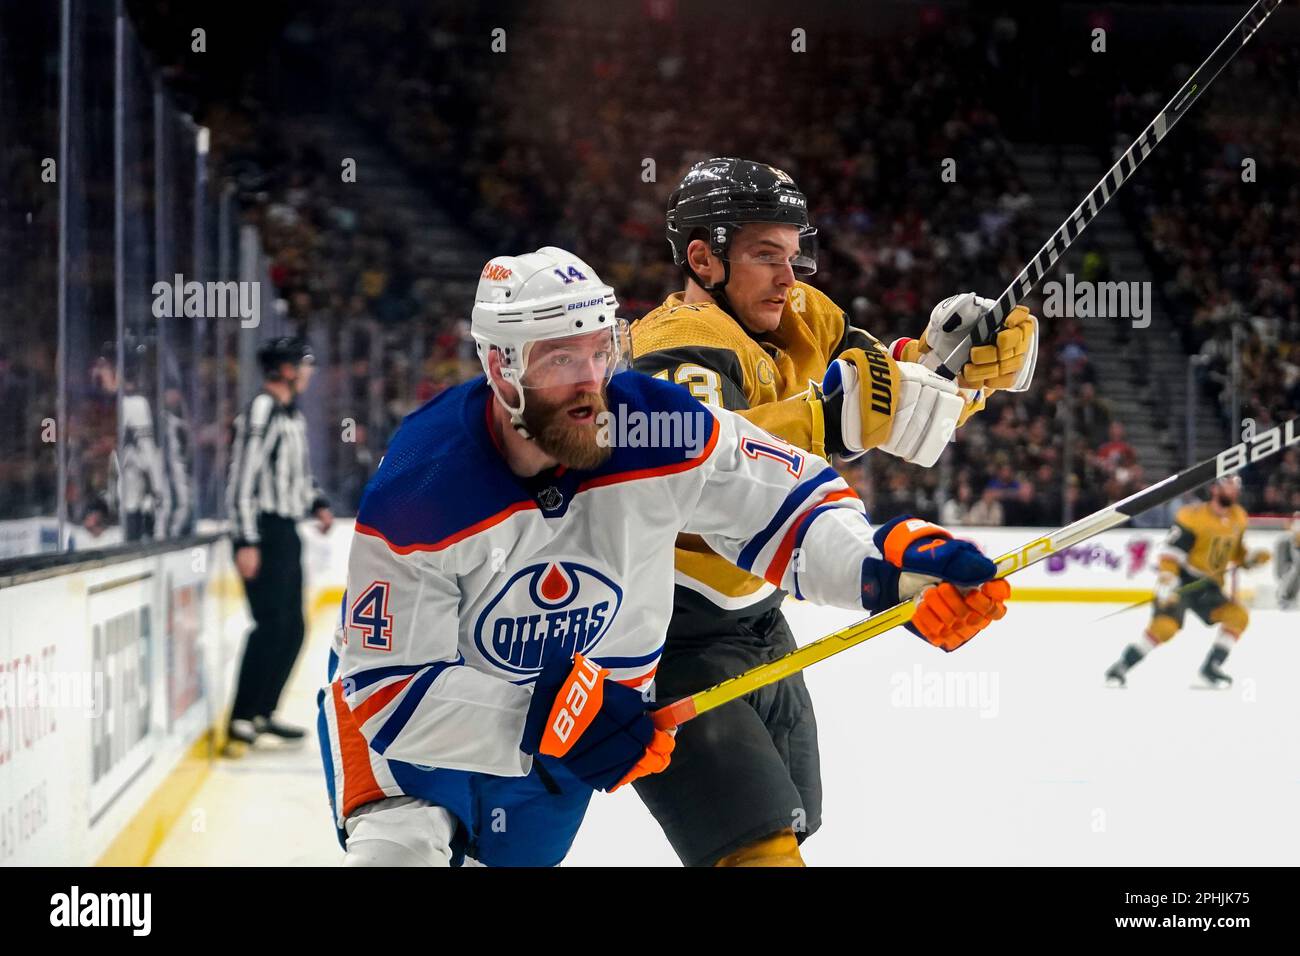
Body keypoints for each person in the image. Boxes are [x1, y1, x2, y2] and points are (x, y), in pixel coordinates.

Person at [316, 247, 1013, 867]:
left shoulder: (656, 424)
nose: (592, 382)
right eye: (561, 359)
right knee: (402, 851)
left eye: (600, 351)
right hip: (417, 733)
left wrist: (881, 573)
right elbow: (389, 690)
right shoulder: (420, 483)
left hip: (560, 741)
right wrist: (549, 716)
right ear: (500, 368)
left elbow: (784, 504)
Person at [628, 158, 1039, 866]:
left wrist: (956, 370)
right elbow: (691, 470)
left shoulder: (805, 315)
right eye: (766, 255)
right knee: (758, 850)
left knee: (787, 830)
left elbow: (884, 398)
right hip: (669, 637)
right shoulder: (675, 341)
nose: (792, 276)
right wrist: (828, 421)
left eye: (794, 253)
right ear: (702, 257)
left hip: (757, 619)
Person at [225, 336, 334, 756]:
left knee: (293, 627)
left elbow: (298, 476)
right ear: (286, 370)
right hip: (265, 531)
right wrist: (246, 539)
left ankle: (261, 712)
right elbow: (242, 479)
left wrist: (318, 503)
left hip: (286, 531)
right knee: (271, 624)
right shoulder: (262, 411)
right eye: (303, 364)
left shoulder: (292, 417)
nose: (308, 372)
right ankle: (242, 715)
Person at [1104, 475, 1270, 689]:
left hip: (1208, 585)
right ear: (1214, 489)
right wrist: (1167, 580)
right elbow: (1171, 553)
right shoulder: (1192, 516)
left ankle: (1211, 667)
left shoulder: (1239, 517)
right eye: (1228, 485)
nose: (1233, 490)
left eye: (1236, 486)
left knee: (1238, 616)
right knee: (1165, 628)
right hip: (1183, 580)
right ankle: (1121, 666)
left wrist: (1250, 559)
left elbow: (1236, 554)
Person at [1275, 511, 1300, 610]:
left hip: (1295, 550)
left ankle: (1289, 596)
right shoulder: (1285, 538)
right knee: (1292, 571)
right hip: (1289, 553)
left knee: (1296, 571)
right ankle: (1284, 596)